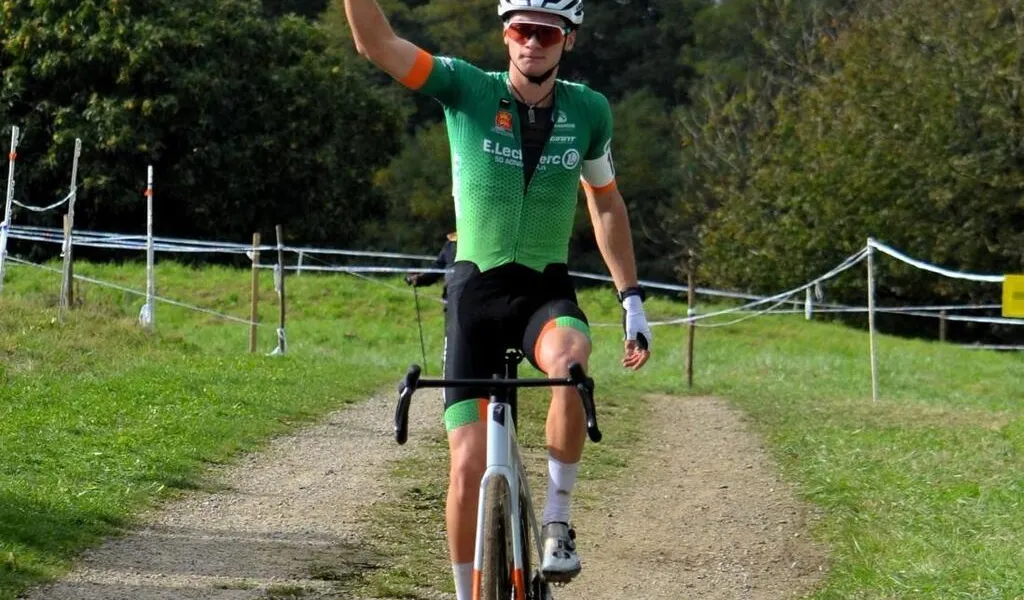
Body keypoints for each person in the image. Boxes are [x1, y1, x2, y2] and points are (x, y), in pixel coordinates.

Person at [341, 0, 653, 596]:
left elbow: (605, 201)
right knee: (465, 465)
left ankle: (557, 522)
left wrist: (631, 299)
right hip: (474, 297)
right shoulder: (465, 88)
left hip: (543, 293)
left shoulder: (589, 111)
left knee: (570, 365)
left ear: (568, 41)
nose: (531, 43)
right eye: (520, 30)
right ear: (505, 36)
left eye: (545, 32)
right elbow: (377, 45)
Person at [405, 231, 457, 304]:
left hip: (475, 300)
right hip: (451, 299)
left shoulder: (478, 244)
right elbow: (438, 266)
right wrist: (420, 278)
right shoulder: (451, 244)